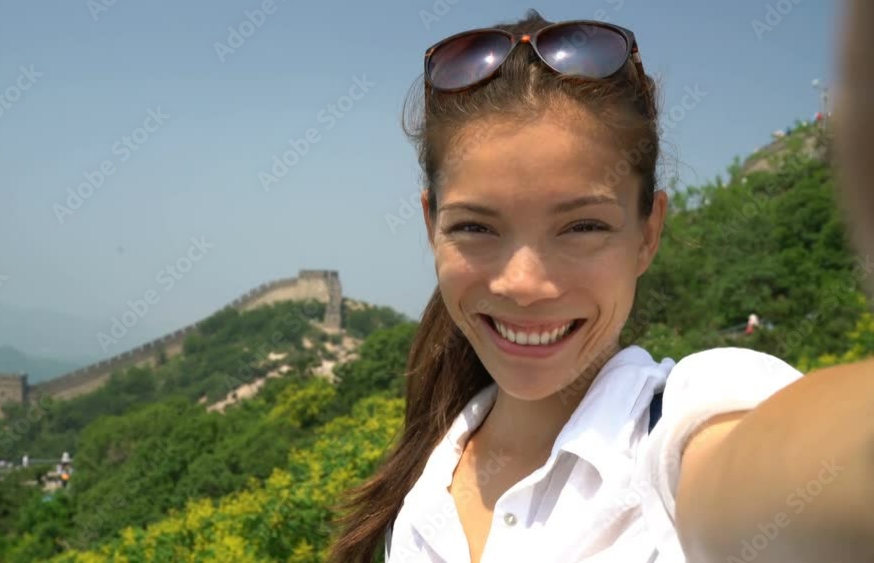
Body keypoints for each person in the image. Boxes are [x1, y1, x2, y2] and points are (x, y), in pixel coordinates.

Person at [330, 9, 873, 563]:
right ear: (431, 226)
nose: (524, 284)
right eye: (474, 227)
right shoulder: (422, 489)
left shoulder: (687, 423)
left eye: (583, 227)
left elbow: (786, 482)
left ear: (648, 233)